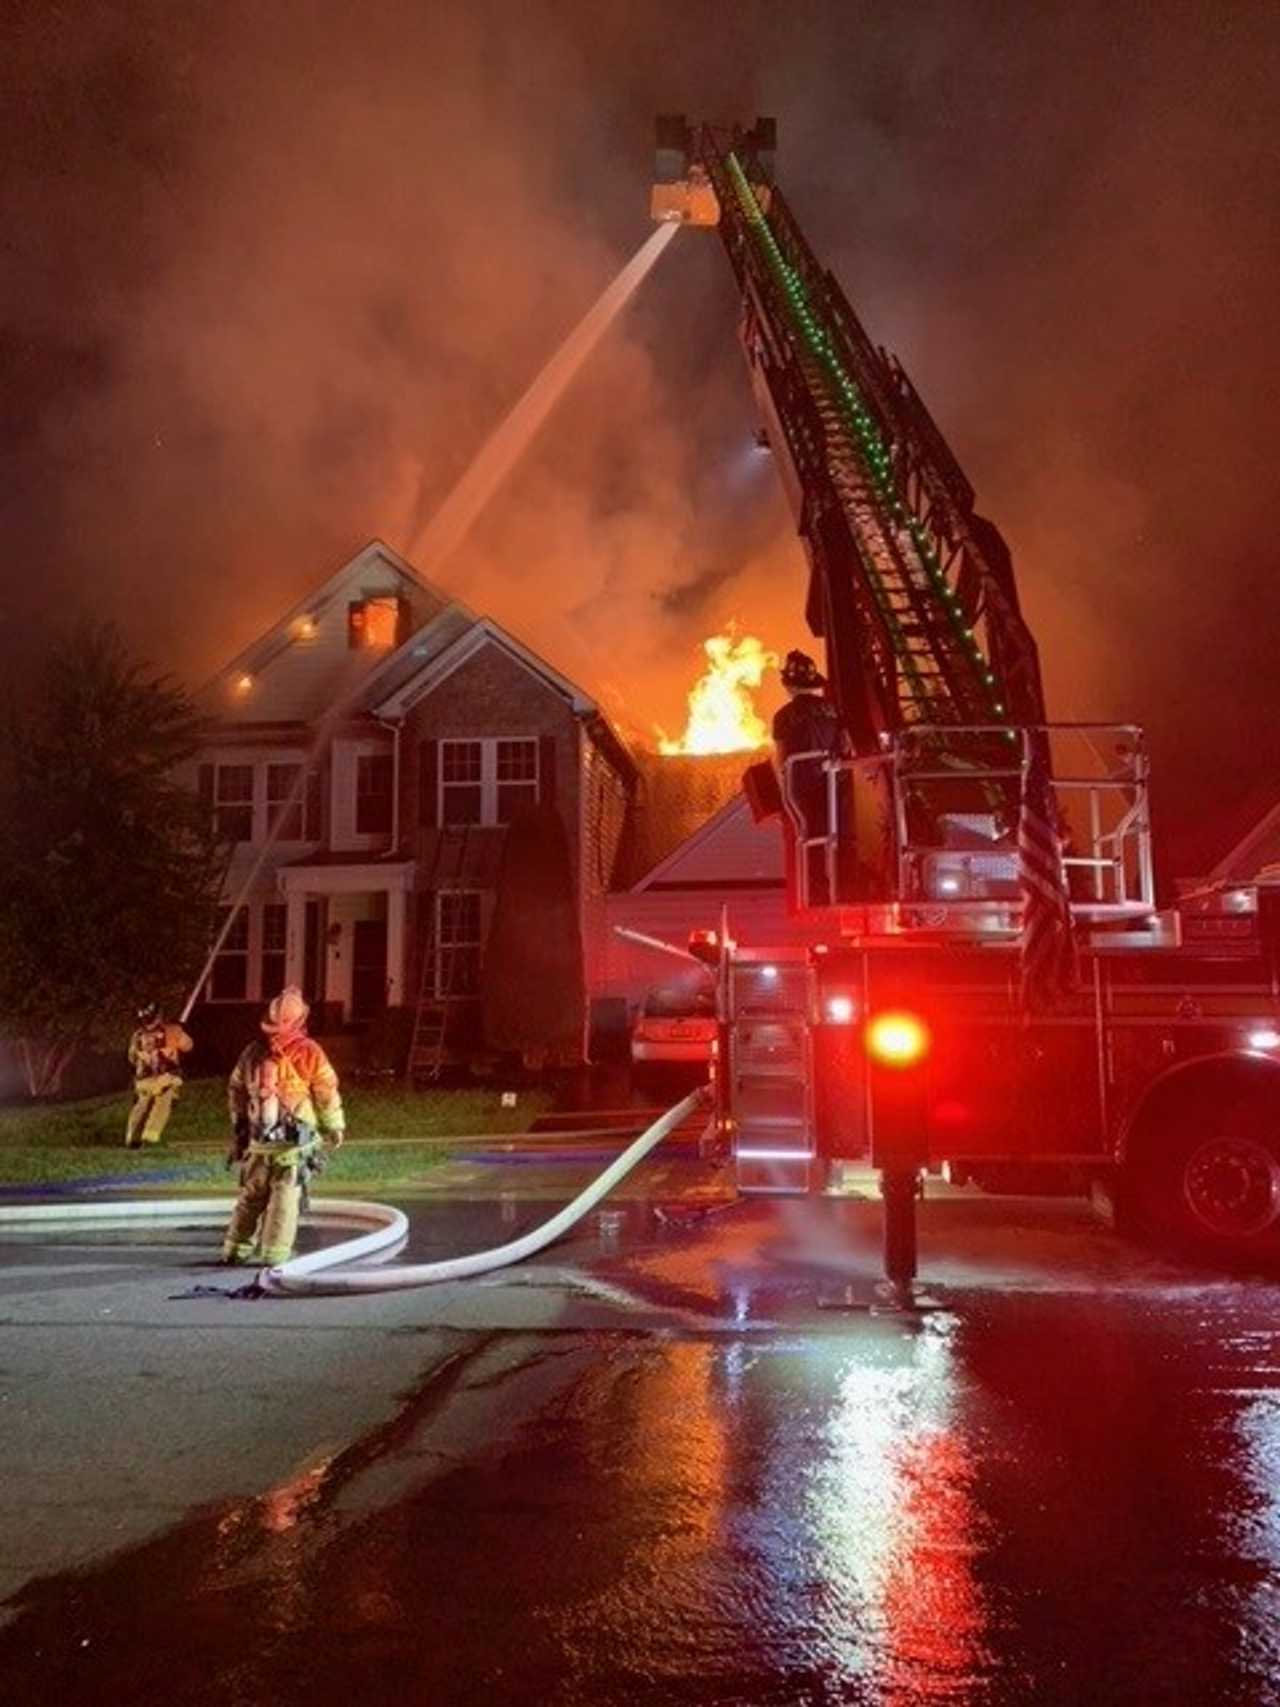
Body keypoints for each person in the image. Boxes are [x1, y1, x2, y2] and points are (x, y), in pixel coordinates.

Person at [221, 986, 345, 1267]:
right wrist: (334, 1125)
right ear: (301, 1021)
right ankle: (274, 1255)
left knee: (251, 1196)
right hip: (293, 1144)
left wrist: (239, 1126)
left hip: (257, 1141)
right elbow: (326, 1090)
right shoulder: (309, 1051)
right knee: (284, 1199)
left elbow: (236, 1090)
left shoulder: (252, 1052)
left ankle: (234, 1249)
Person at [771, 650, 845, 902]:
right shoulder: (834, 710)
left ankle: (815, 892)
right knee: (835, 833)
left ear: (788, 684)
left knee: (807, 835)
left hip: (801, 784)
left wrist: (782, 797)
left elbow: (782, 759)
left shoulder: (783, 716)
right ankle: (842, 885)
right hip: (832, 781)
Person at [124, 1002, 193, 1148]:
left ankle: (132, 1139)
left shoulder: (137, 1035)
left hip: (143, 1081)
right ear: (159, 1016)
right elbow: (188, 1046)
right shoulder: (173, 1031)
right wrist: (180, 1030)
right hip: (165, 1078)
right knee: (162, 1105)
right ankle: (150, 1138)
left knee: (140, 1107)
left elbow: (131, 1058)